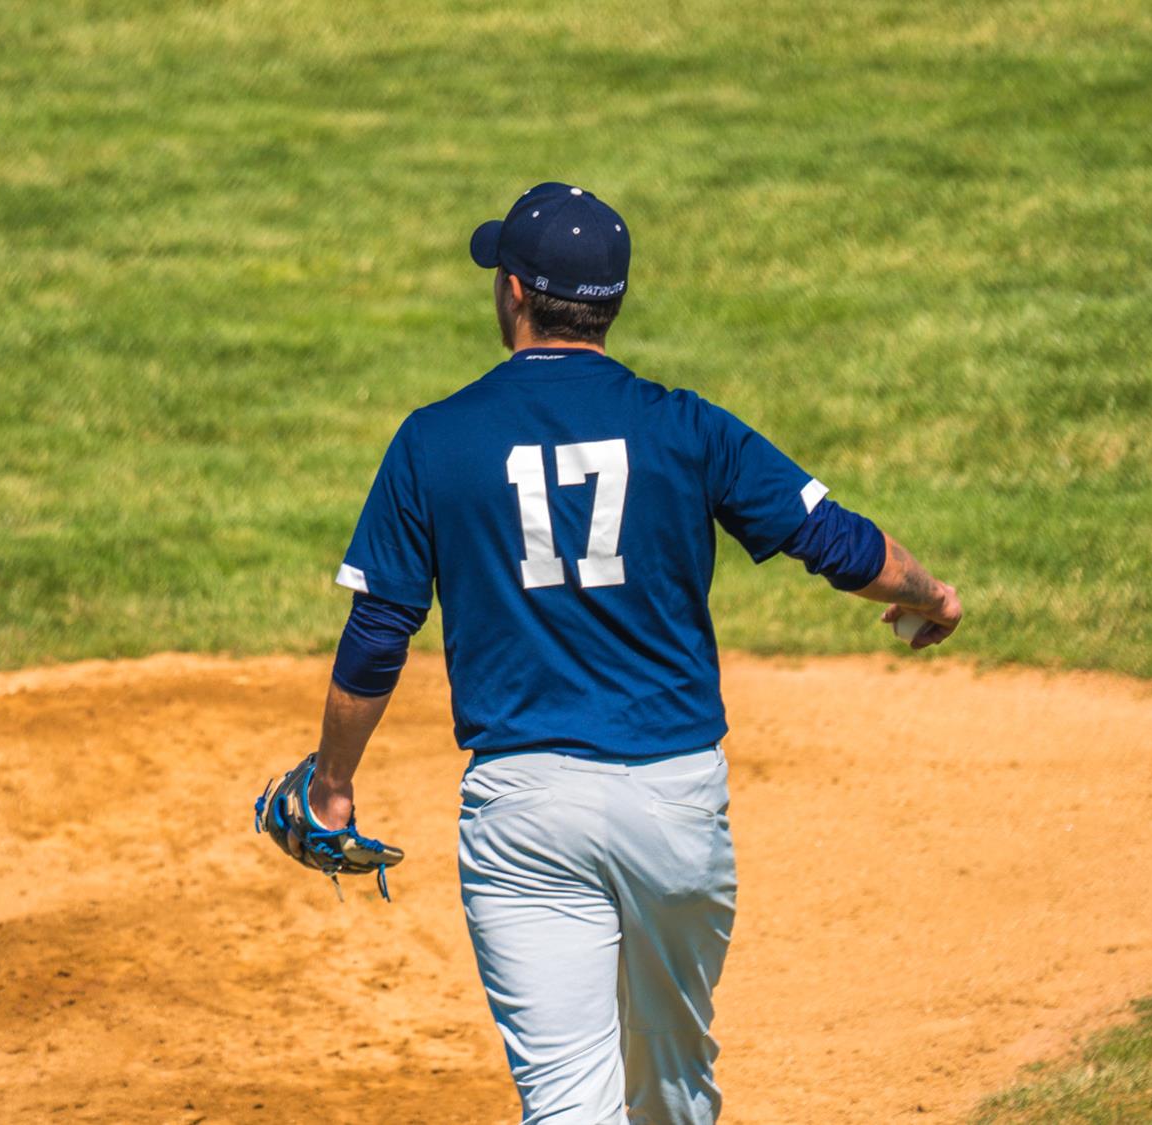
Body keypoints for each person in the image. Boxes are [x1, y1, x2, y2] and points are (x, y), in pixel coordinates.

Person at [293, 182, 961, 1124]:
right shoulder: (689, 427)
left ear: (516, 292)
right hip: (676, 806)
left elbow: (376, 637)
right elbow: (843, 546)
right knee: (674, 1084)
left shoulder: (432, 441)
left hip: (525, 817)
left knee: (569, 1102)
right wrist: (930, 597)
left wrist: (330, 785)